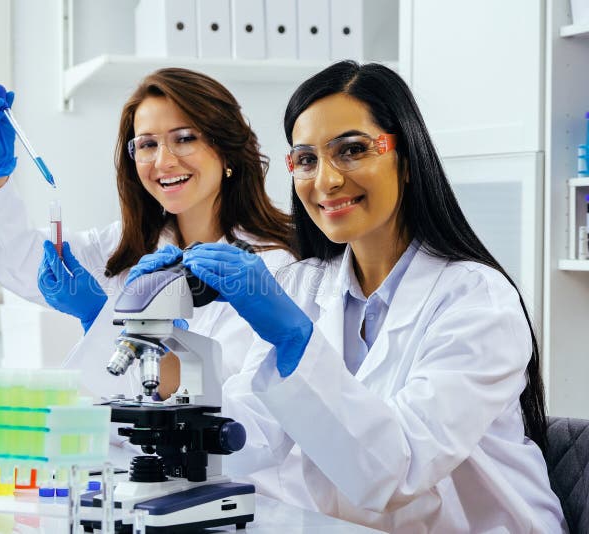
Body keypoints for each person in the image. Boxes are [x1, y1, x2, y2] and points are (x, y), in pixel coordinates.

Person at [128, 61, 566, 532]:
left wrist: (296, 342)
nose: (326, 180)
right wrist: (170, 345)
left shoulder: (478, 303)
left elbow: (397, 470)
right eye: (306, 160)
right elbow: (250, 440)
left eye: (352, 150)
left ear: (407, 159)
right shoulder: (304, 285)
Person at [0, 68, 297, 401]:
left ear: (227, 151)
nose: (163, 161)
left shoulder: (275, 267)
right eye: (148, 144)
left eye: (185, 138)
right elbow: (20, 258)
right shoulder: (124, 247)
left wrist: (101, 317)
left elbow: (241, 403)